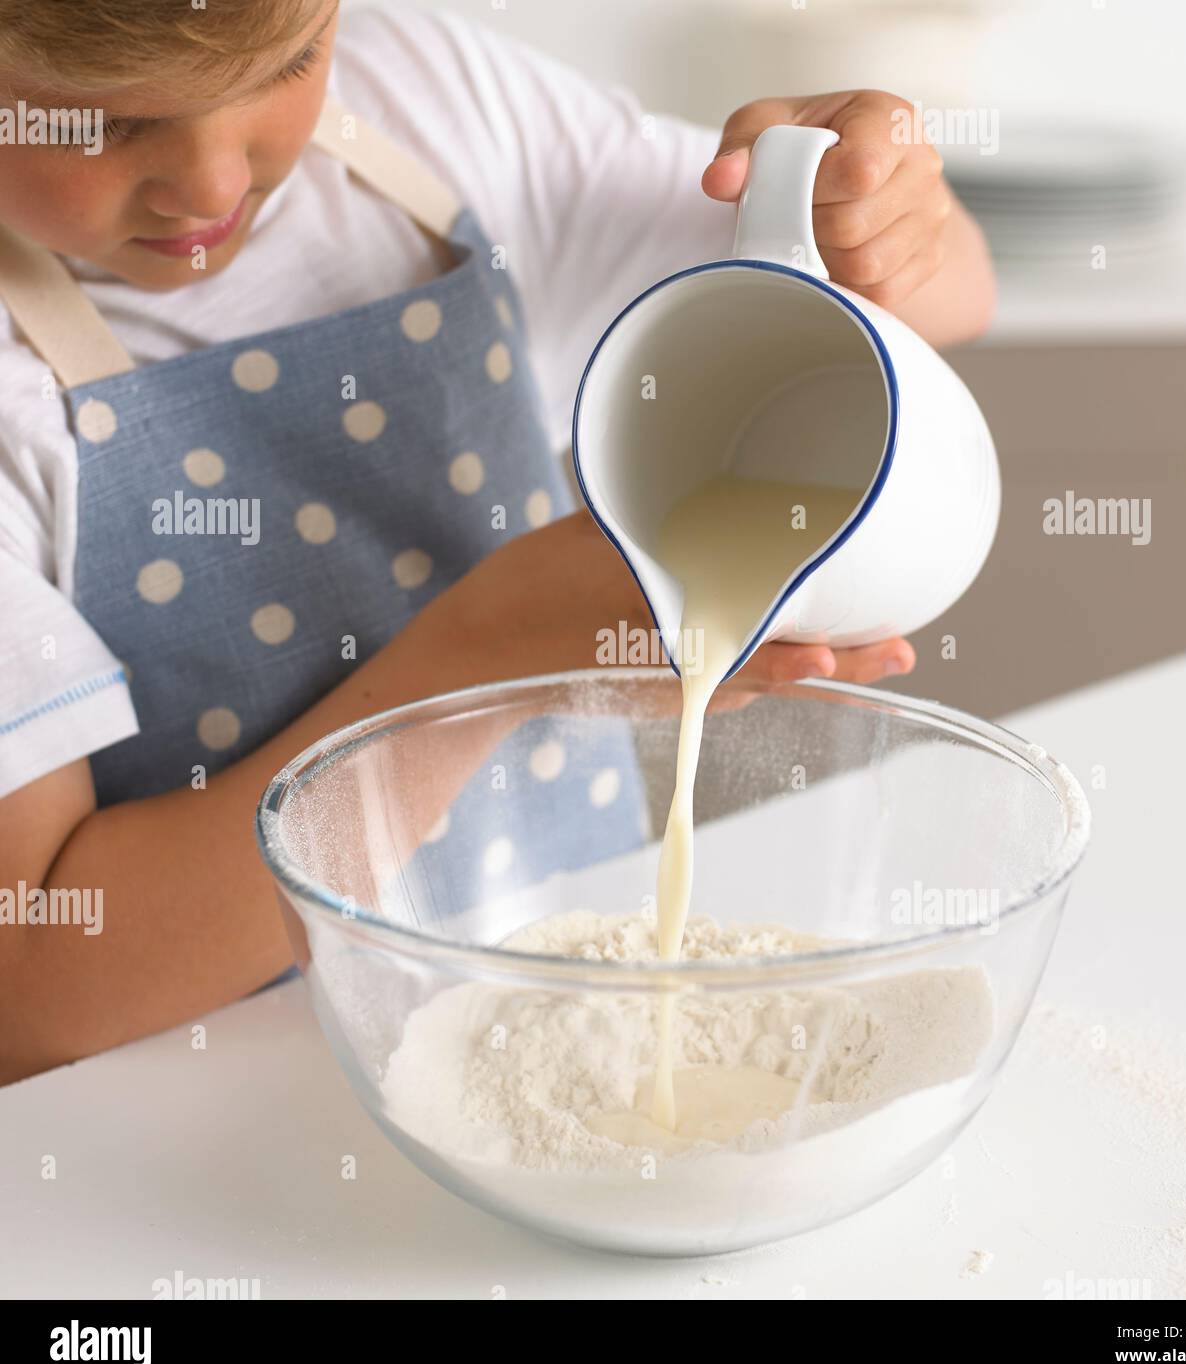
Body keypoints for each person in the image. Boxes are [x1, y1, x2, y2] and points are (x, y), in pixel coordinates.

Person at [0, 1, 996, 1082]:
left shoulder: (429, 103)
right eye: (102, 123)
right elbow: (36, 988)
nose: (211, 182)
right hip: (184, 1125)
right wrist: (489, 651)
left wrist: (877, 211)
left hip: (575, 1030)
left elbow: (957, 298)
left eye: (288, 63)